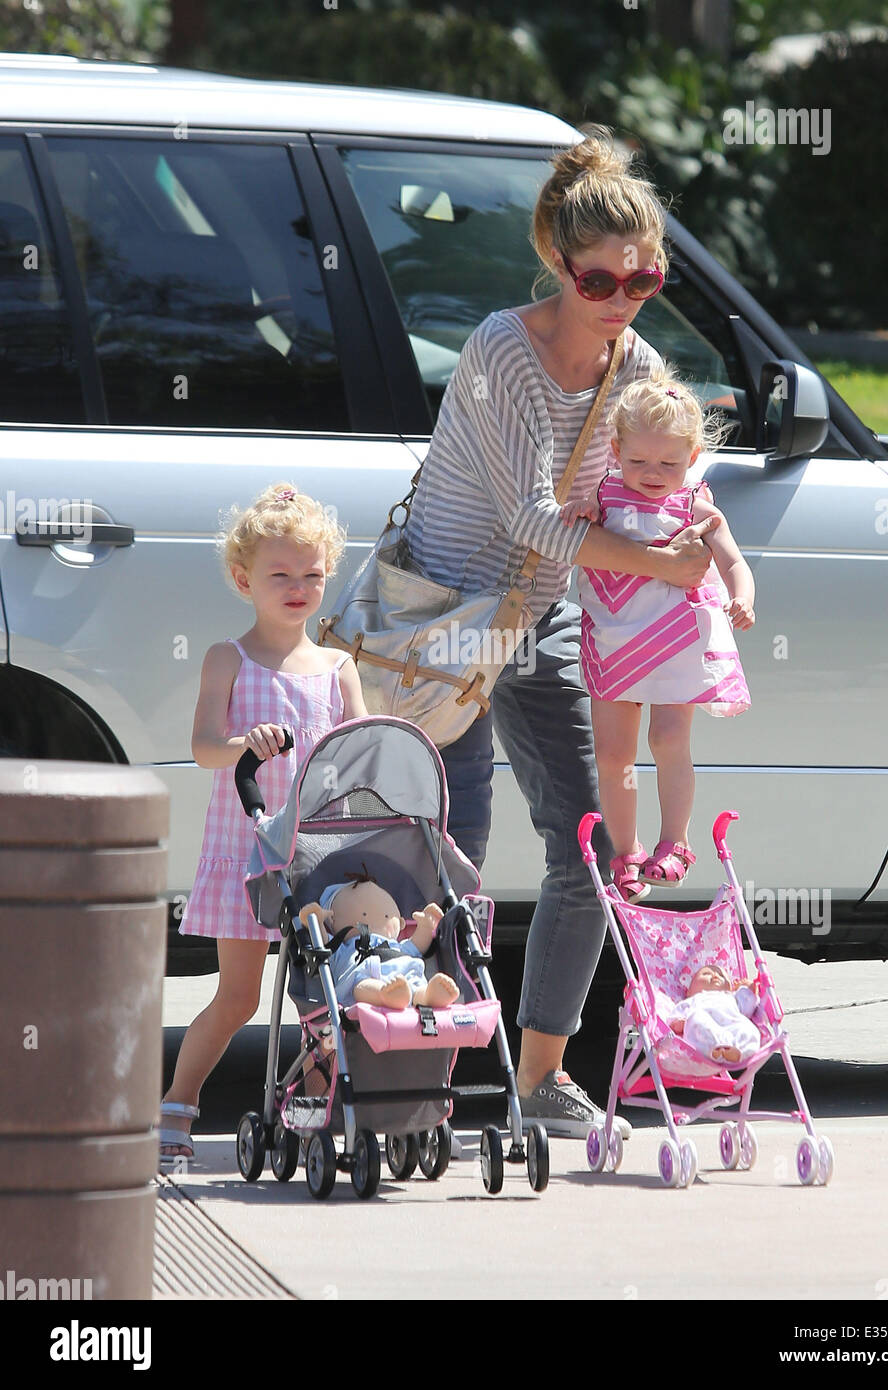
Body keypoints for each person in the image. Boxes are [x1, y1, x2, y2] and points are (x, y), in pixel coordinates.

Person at [404, 124, 720, 1140]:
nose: (623, 301)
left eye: (646, 280)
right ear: (557, 262)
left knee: (590, 843)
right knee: (447, 852)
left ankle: (538, 1076)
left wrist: (706, 553)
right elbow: (532, 518)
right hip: (442, 614)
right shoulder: (502, 348)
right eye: (601, 282)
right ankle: (416, 1072)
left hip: (538, 617)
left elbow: (661, 486)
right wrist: (661, 566)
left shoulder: (637, 364)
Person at [158, 483, 367, 1163]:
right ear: (244, 579)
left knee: (320, 1000)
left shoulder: (338, 667)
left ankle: (305, 1114)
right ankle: (177, 1106)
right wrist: (246, 743)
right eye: (280, 574)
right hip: (249, 848)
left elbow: (363, 749)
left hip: (322, 857)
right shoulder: (228, 657)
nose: (298, 586)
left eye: (311, 574)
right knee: (240, 995)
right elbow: (203, 750)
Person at [563, 369, 754, 901]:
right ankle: (625, 851)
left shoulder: (695, 504)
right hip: (615, 639)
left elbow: (734, 561)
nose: (652, 474)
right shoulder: (603, 494)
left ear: (692, 458)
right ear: (617, 451)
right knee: (613, 753)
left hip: (674, 641)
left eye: (668, 463)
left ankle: (676, 844)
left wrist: (743, 597)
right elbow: (575, 528)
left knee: (669, 740)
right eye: (638, 461)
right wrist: (580, 510)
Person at [306, 874, 459, 1010]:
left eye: (388, 916)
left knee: (414, 980)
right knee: (360, 986)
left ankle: (426, 997)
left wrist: (426, 927)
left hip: (404, 971)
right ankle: (384, 995)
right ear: (332, 919)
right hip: (365, 978)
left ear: (401, 922)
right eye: (364, 914)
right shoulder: (343, 947)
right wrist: (316, 923)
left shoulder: (398, 946)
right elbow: (323, 944)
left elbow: (417, 945)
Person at [665, 964, 761, 1065]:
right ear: (689, 991)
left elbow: (749, 1006)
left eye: (721, 975)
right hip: (707, 1029)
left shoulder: (732, 997)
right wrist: (678, 1023)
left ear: (730, 988)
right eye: (706, 974)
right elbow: (674, 1018)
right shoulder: (693, 999)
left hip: (732, 1026)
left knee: (750, 1029)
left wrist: (749, 988)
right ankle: (713, 1048)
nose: (715, 975)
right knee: (696, 1019)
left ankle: (738, 1051)